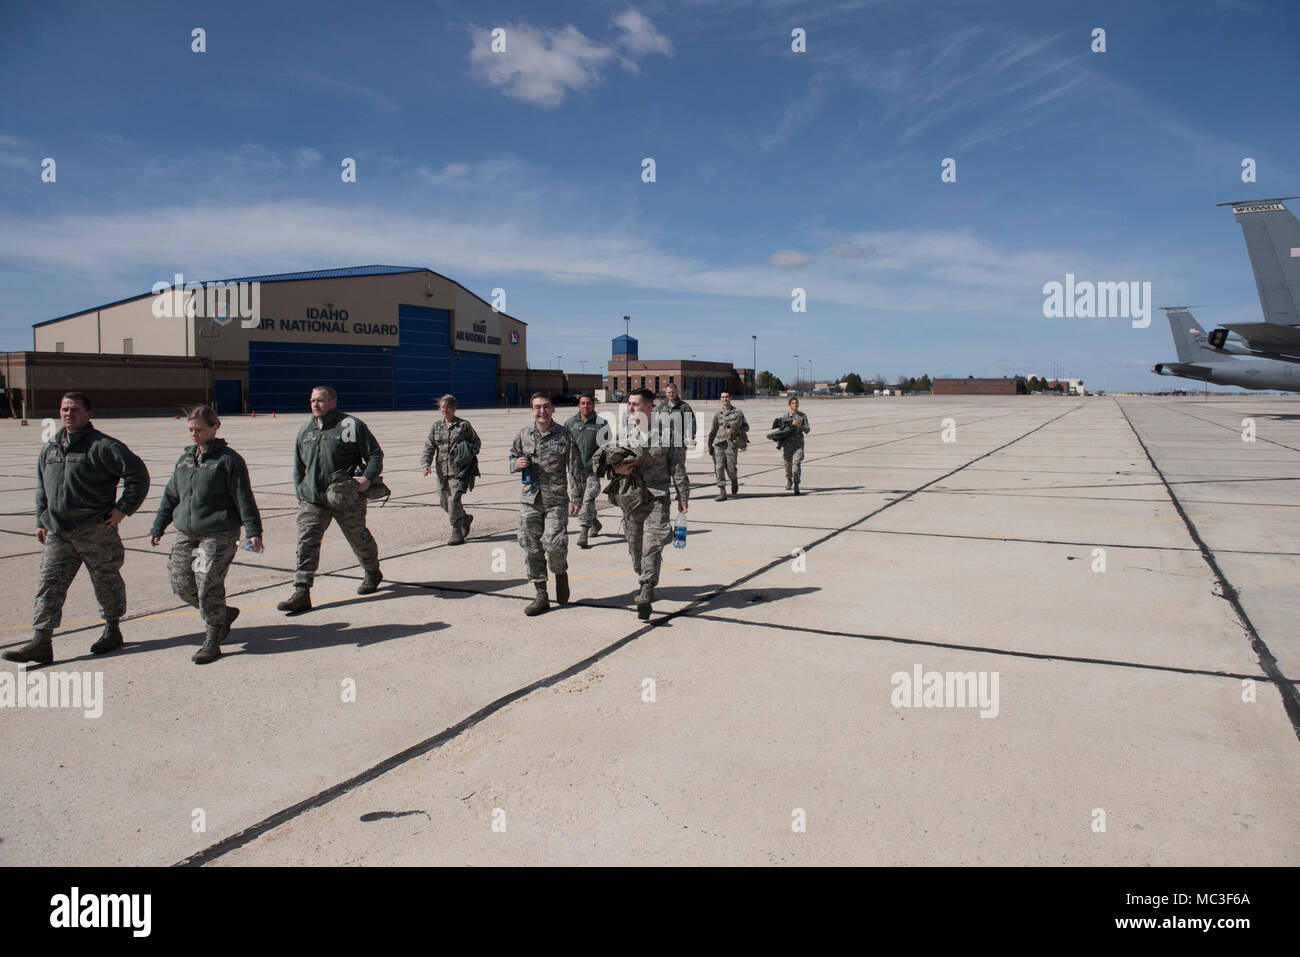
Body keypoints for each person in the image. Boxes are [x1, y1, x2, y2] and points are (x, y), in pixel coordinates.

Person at [5, 392, 150, 664]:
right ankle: (41, 641)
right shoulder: (51, 448)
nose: (68, 414)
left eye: (74, 409)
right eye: (64, 409)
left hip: (96, 530)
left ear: (88, 413)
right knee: (49, 585)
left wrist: (123, 509)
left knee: (106, 581)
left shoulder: (104, 446)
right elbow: (42, 487)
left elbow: (137, 475)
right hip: (59, 532)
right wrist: (41, 519)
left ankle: (112, 628)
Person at [149, 406, 263, 664]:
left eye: (199, 429)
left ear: (215, 427)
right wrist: (158, 527)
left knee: (207, 582)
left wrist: (254, 533)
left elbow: (244, 498)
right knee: (180, 584)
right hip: (186, 532)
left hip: (219, 532)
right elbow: (171, 495)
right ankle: (222, 613)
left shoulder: (229, 460)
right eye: (190, 429)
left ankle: (213, 638)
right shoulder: (185, 459)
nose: (194, 434)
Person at [276, 386, 384, 614]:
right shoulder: (305, 430)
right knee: (306, 542)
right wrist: (299, 489)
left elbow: (374, 454)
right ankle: (301, 591)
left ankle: (372, 571)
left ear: (333, 401)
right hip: (313, 498)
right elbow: (299, 465)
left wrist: (366, 479)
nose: (315, 404)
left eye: (321, 400)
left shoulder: (351, 425)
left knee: (358, 538)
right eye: (313, 400)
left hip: (345, 497)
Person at [612, 388, 690, 620]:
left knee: (652, 544)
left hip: (657, 496)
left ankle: (647, 587)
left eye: (635, 404)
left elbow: (677, 467)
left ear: (649, 408)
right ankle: (643, 572)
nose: (631, 408)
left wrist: (682, 495)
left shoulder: (668, 434)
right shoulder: (624, 433)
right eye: (629, 404)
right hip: (631, 498)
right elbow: (610, 462)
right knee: (635, 547)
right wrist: (617, 468)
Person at [509, 393, 581, 615]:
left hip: (556, 499)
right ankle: (541, 595)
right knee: (530, 546)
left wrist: (577, 497)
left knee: (553, 543)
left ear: (553, 409)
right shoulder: (523, 435)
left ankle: (560, 572)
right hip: (530, 499)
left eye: (546, 407)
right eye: (537, 407)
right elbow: (512, 457)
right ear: (531, 411)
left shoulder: (564, 435)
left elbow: (575, 468)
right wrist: (516, 463)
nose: (542, 411)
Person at [420, 394, 481, 546]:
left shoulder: (464, 426)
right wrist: (425, 464)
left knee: (453, 501)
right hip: (442, 471)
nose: (444, 411)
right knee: (443, 501)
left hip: (459, 471)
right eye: (442, 408)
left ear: (454, 408)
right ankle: (464, 519)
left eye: (447, 407)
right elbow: (429, 446)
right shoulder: (436, 426)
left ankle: (456, 531)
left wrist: (466, 451)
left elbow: (476, 443)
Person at [563, 393, 608, 548]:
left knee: (588, 499)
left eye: (588, 403)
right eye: (582, 403)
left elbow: (607, 447)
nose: (585, 406)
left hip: (593, 470)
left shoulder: (602, 424)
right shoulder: (569, 423)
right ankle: (595, 523)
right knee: (580, 501)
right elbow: (563, 446)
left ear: (593, 405)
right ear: (578, 405)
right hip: (575, 470)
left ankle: (583, 533)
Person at [707, 390, 749, 501]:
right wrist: (709, 444)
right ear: (720, 399)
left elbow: (746, 427)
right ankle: (722, 491)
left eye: (726, 397)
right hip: (718, 443)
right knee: (719, 467)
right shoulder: (718, 414)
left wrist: (735, 430)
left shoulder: (737, 412)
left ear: (730, 398)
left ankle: (734, 480)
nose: (725, 399)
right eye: (723, 397)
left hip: (731, 444)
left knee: (730, 468)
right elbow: (713, 430)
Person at [772, 396, 812, 494]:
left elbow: (807, 430)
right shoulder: (785, 416)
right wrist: (791, 424)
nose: (795, 404)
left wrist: (800, 426)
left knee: (797, 464)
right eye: (793, 403)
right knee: (787, 466)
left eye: (796, 403)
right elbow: (780, 429)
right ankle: (789, 480)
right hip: (787, 444)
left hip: (798, 443)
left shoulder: (802, 416)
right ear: (790, 405)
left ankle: (797, 484)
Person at [656, 381, 696, 450]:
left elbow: (691, 422)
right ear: (666, 393)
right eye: (669, 392)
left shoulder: (684, 406)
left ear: (676, 392)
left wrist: (690, 436)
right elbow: (656, 422)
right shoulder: (661, 407)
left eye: (673, 392)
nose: (671, 394)